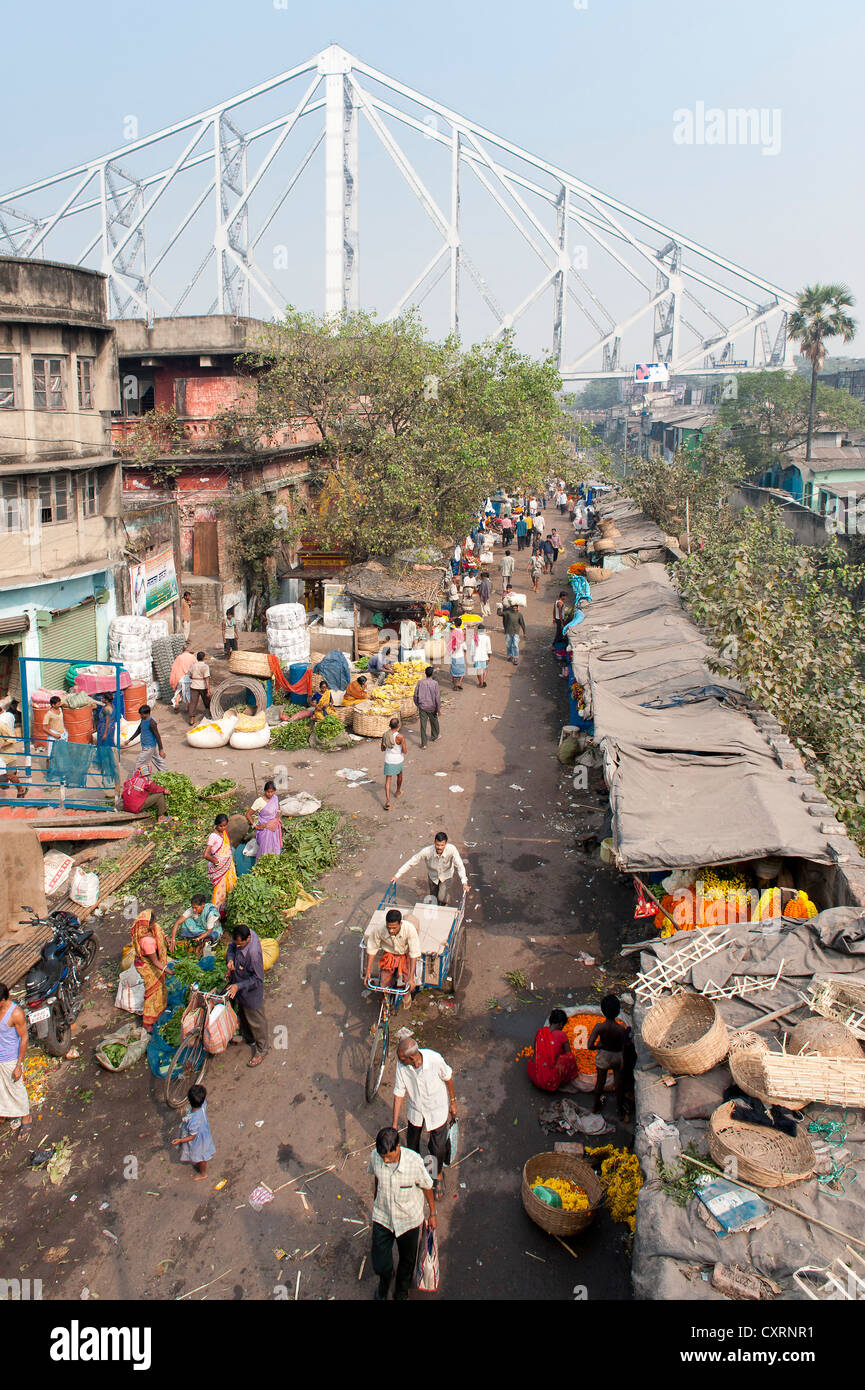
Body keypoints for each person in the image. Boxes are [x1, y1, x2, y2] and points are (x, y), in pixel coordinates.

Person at [368, 1125, 436, 1301]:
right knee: (380, 1263)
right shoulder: (376, 1157)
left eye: (389, 1157)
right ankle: (385, 1280)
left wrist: (432, 1214)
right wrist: (376, 1197)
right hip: (383, 1216)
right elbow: (376, 1176)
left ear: (398, 1147)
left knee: (407, 1262)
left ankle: (401, 1293)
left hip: (409, 1221)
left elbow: (427, 1186)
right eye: (383, 1157)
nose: (386, 1161)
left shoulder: (414, 1162)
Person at [393, 1036, 457, 1196]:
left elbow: (447, 1077)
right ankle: (417, 1173)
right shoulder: (402, 1066)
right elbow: (399, 1092)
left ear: (412, 1057)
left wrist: (453, 1101)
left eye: (402, 1058)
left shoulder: (434, 1059)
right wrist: (394, 1124)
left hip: (437, 1109)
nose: (399, 1060)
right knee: (412, 1145)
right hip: (416, 1110)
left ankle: (438, 1174)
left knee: (437, 1148)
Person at [226, 922, 267, 1067]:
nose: (237, 946)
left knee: (256, 1020)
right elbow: (231, 947)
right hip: (239, 984)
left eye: (240, 945)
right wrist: (230, 959)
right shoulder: (240, 938)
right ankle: (249, 1038)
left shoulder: (253, 954)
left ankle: (262, 1050)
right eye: (236, 944)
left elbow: (258, 978)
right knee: (243, 1015)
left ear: (248, 939)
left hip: (250, 991)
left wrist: (239, 986)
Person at [393, 831, 468, 907]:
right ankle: (436, 906)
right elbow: (411, 862)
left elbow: (460, 866)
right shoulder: (426, 851)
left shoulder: (452, 849)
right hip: (433, 877)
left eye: (442, 845)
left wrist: (464, 882)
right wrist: (397, 875)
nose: (439, 847)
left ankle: (444, 902)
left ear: (446, 844)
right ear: (434, 842)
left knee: (442, 897)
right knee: (433, 896)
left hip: (446, 876)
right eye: (437, 845)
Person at [130, 909, 171, 1033]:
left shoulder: (150, 929)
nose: (155, 925)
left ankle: (160, 1010)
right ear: (146, 925)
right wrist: (169, 971)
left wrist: (167, 939)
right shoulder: (146, 941)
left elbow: (160, 931)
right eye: (152, 923)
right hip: (147, 965)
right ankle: (148, 1023)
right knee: (154, 990)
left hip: (150, 961)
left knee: (161, 986)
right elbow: (155, 962)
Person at [365, 907, 421, 994]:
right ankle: (385, 1000)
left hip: (406, 954)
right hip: (389, 954)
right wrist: (368, 971)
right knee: (384, 982)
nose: (391, 931)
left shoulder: (409, 929)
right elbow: (372, 948)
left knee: (408, 982)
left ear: (400, 924)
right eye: (389, 928)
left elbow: (414, 954)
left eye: (394, 928)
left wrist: (411, 978)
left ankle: (407, 996)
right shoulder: (379, 929)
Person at [0, 982, 31, 1140]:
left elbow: (24, 1037)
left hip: (10, 1058)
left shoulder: (16, 1013)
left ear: (3, 1000)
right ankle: (5, 1113)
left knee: (16, 1088)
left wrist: (18, 1065)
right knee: (1, 1090)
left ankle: (26, 1118)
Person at [588, 994, 628, 1116]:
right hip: (616, 1056)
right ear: (618, 1011)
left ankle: (595, 1106)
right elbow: (625, 1046)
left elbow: (589, 1045)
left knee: (600, 1082)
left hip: (604, 1056)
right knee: (618, 1084)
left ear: (602, 1011)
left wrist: (599, 1046)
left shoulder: (599, 1027)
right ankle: (620, 1110)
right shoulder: (621, 1029)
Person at [527, 1009, 578, 1092]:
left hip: (533, 1074)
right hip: (547, 1082)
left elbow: (535, 1049)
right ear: (561, 1024)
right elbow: (569, 1053)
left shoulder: (540, 1032)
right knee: (570, 1058)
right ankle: (561, 1084)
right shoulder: (561, 1035)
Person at [172, 1083, 215, 1180]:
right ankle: (199, 1164)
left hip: (198, 1141)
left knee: (201, 1157)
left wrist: (180, 1140)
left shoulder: (193, 1120)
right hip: (204, 1134)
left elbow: (192, 1136)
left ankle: (203, 1174)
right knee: (199, 1156)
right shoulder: (203, 1105)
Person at [205, 812, 237, 907]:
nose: (223, 828)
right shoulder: (213, 837)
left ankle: (227, 908)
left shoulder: (223, 833)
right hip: (219, 867)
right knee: (219, 890)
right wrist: (216, 861)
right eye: (220, 826)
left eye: (225, 826)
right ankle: (217, 912)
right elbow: (206, 854)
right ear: (216, 825)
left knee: (229, 887)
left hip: (227, 864)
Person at [247, 778, 283, 857]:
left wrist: (277, 817)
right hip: (264, 829)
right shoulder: (259, 801)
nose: (270, 794)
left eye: (272, 792)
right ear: (264, 791)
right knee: (264, 850)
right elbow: (248, 814)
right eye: (268, 792)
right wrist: (255, 826)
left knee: (274, 846)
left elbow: (278, 806)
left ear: (274, 791)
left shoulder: (275, 798)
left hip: (274, 828)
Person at [127, 704, 167, 772]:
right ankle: (165, 772)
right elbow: (139, 729)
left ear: (147, 713)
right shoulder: (143, 719)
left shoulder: (152, 722)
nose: (141, 716)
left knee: (140, 763)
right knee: (157, 760)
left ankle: (137, 778)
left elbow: (158, 736)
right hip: (147, 745)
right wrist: (130, 739)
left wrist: (161, 749)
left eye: (142, 714)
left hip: (149, 747)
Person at [94, 693, 120, 789]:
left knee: (105, 754)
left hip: (105, 730)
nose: (101, 699)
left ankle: (108, 779)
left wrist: (104, 733)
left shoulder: (106, 709)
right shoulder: (111, 706)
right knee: (109, 751)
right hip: (110, 730)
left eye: (103, 698)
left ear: (106, 700)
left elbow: (107, 720)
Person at [381, 717, 406, 812]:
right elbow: (404, 750)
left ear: (389, 725)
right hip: (398, 759)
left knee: (388, 780)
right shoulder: (400, 737)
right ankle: (398, 791)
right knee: (399, 775)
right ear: (398, 726)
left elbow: (382, 749)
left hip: (388, 759)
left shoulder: (385, 735)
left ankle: (387, 801)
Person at [413, 666, 441, 750]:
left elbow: (415, 695)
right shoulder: (435, 683)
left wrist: (418, 704)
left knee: (423, 725)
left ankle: (424, 744)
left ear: (425, 673)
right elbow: (437, 698)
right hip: (432, 707)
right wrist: (438, 709)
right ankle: (434, 736)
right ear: (432, 674)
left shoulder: (420, 682)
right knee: (434, 721)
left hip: (422, 706)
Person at [188, 650, 211, 726]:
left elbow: (190, 675)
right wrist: (208, 690)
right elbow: (207, 679)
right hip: (202, 686)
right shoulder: (205, 666)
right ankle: (210, 713)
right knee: (207, 700)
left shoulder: (193, 665)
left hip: (194, 685)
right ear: (203, 658)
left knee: (193, 702)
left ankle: (191, 718)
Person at [502, 601, 526, 666]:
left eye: (516, 608)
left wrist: (524, 632)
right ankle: (509, 656)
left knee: (515, 645)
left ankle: (515, 658)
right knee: (508, 645)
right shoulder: (508, 613)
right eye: (514, 608)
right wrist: (499, 607)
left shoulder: (519, 614)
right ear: (512, 608)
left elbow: (522, 623)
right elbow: (500, 614)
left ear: (518, 608)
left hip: (516, 632)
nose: (515, 609)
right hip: (508, 632)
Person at [447, 618, 466, 691]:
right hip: (460, 655)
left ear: (455, 624)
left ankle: (455, 686)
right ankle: (460, 683)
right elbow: (464, 645)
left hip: (454, 656)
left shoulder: (453, 632)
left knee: (454, 672)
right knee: (461, 672)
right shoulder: (462, 632)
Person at [472, 623, 491, 688]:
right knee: (485, 668)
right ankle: (484, 680)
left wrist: (472, 657)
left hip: (477, 657)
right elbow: (489, 649)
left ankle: (480, 682)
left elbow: (472, 649)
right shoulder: (487, 638)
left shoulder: (474, 638)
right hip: (484, 656)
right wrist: (489, 657)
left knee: (478, 670)